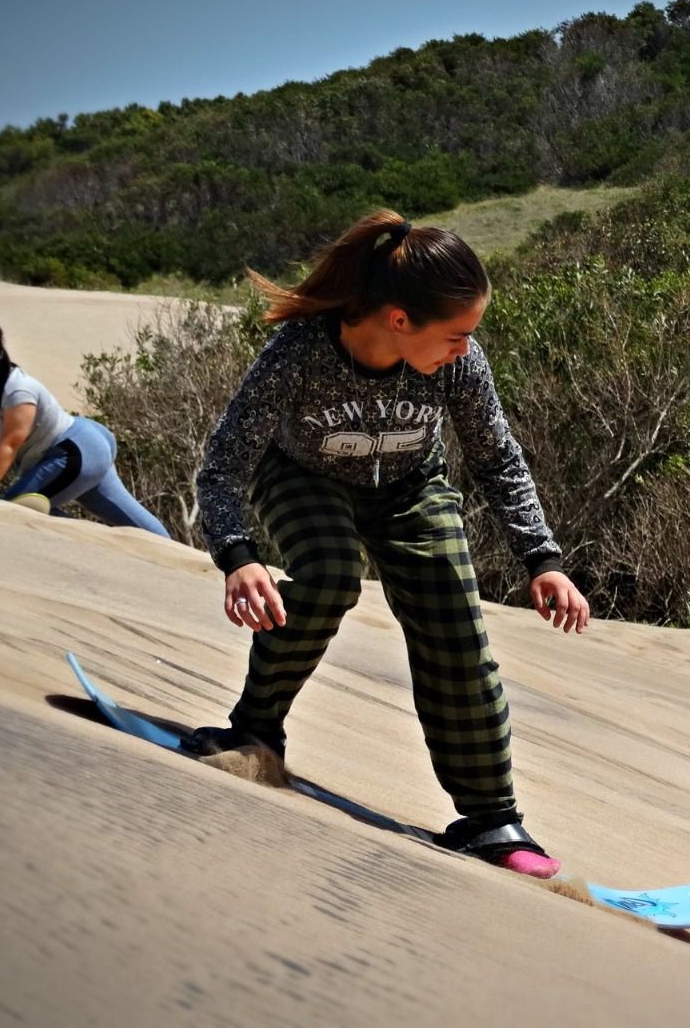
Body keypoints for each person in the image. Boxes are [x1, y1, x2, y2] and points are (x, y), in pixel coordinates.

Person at [193, 208, 589, 878]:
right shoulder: (301, 352)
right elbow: (224, 464)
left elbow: (496, 459)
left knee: (455, 623)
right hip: (302, 476)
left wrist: (542, 558)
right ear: (399, 320)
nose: (466, 348)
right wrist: (238, 553)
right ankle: (256, 732)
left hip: (410, 485)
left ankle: (491, 819)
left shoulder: (460, 367)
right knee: (329, 575)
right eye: (457, 334)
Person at [0, 325, 170, 538]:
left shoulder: (18, 391)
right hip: (82, 447)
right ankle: (167, 559)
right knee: (133, 520)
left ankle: (97, 549)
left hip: (76, 451)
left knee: (17, 506)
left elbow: (9, 445)